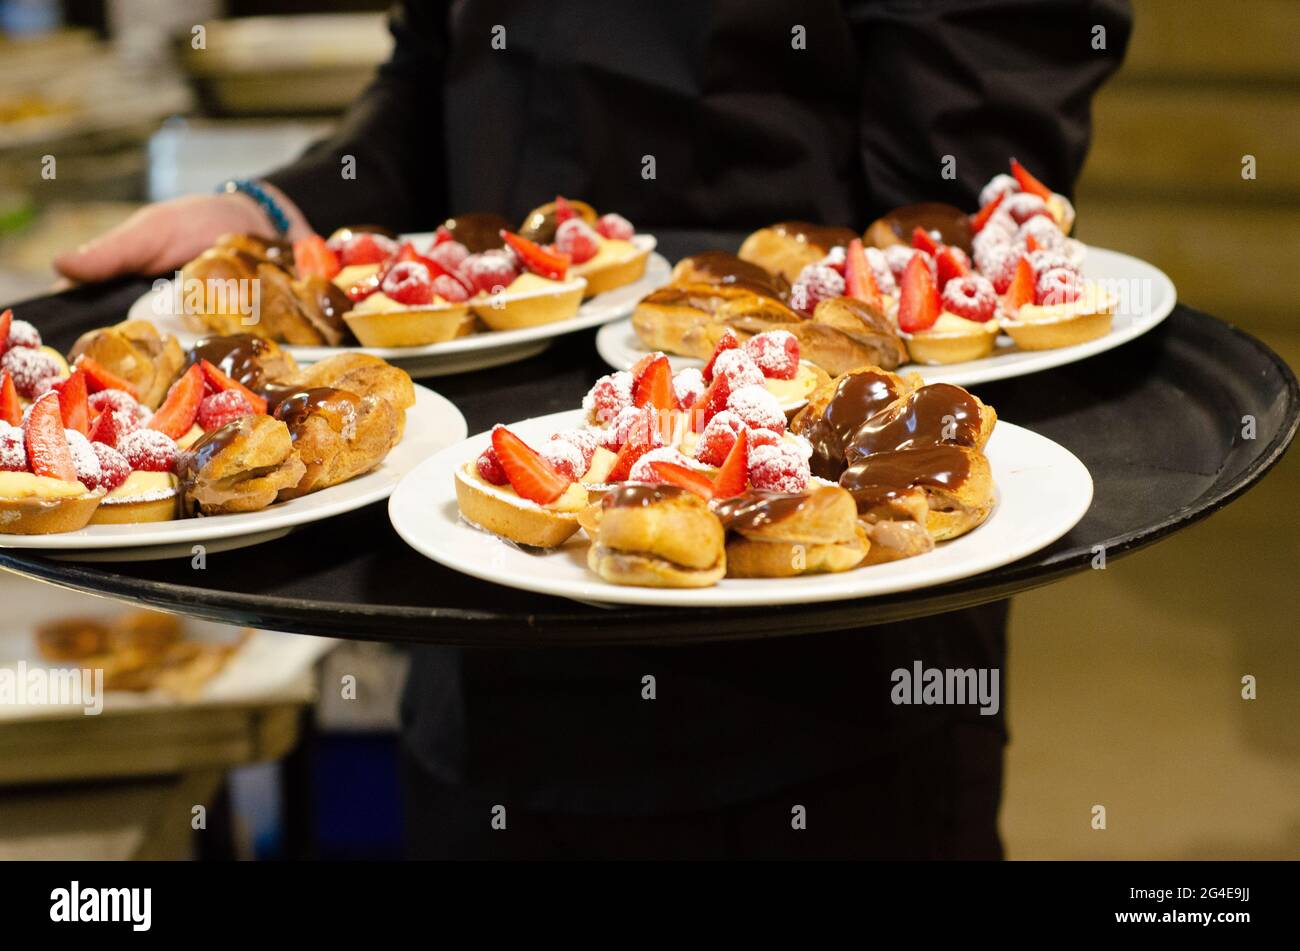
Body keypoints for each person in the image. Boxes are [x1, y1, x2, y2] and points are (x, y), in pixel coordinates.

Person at [56, 1, 1132, 859]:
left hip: (821, 667)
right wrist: (280, 212)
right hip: (480, 583)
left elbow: (964, 179)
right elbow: (432, 76)